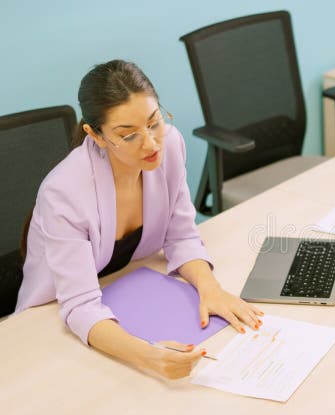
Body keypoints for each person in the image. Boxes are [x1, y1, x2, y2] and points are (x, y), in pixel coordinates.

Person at [16, 60, 263, 380]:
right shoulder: (64, 191)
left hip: (132, 287)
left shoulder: (169, 144)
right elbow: (79, 306)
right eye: (128, 134)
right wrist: (149, 356)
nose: (150, 143)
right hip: (52, 318)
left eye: (154, 121)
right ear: (97, 135)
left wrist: (210, 288)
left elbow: (181, 237)